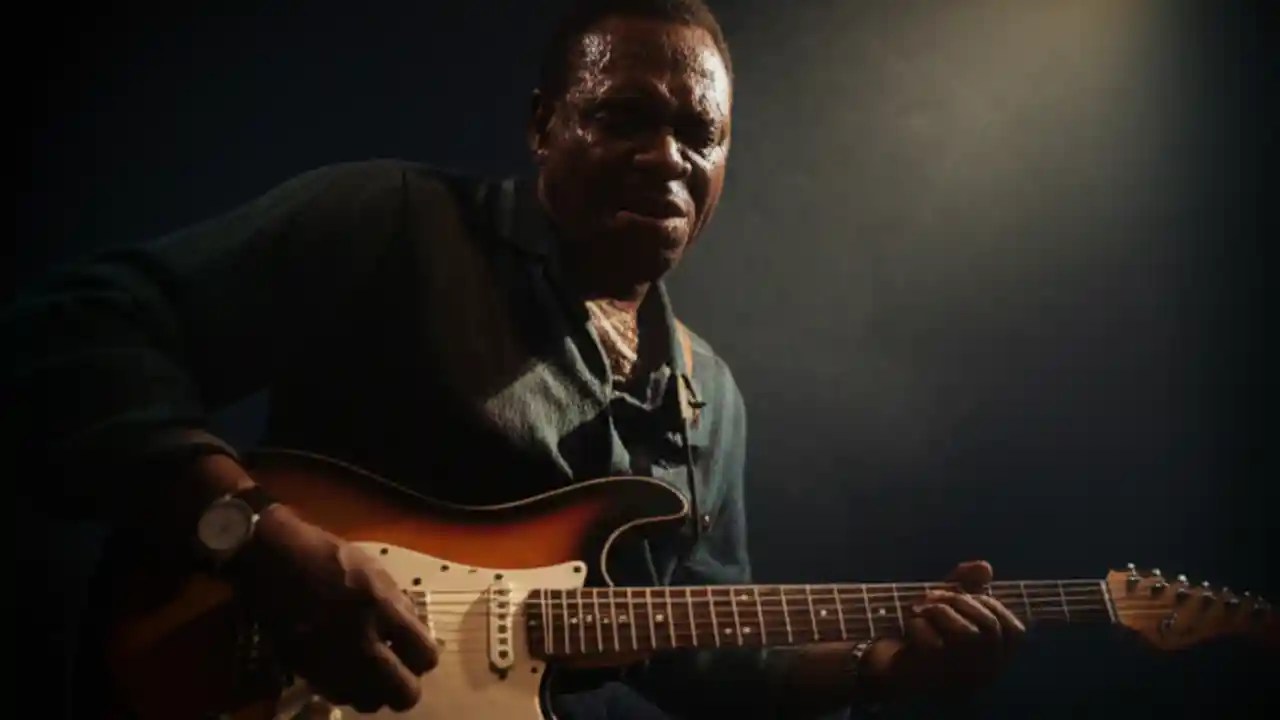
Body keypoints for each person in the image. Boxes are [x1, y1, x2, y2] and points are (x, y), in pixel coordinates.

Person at [5, 1, 1025, 718]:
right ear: (544, 123)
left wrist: (875, 670)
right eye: (624, 114)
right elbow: (78, 327)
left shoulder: (708, 397)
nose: (666, 155)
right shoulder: (394, 223)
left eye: (697, 132)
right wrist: (251, 534)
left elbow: (705, 664)